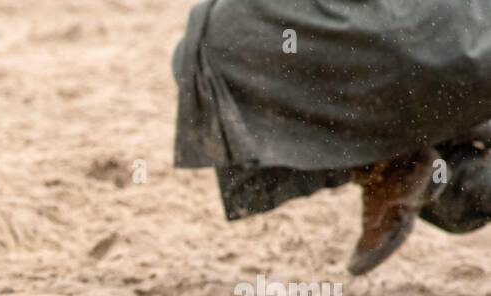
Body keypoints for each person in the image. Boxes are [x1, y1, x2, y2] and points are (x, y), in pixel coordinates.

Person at [174, 0, 491, 274]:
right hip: (459, 49)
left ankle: (390, 162)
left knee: (211, 44)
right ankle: (404, 162)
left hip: (441, 47)